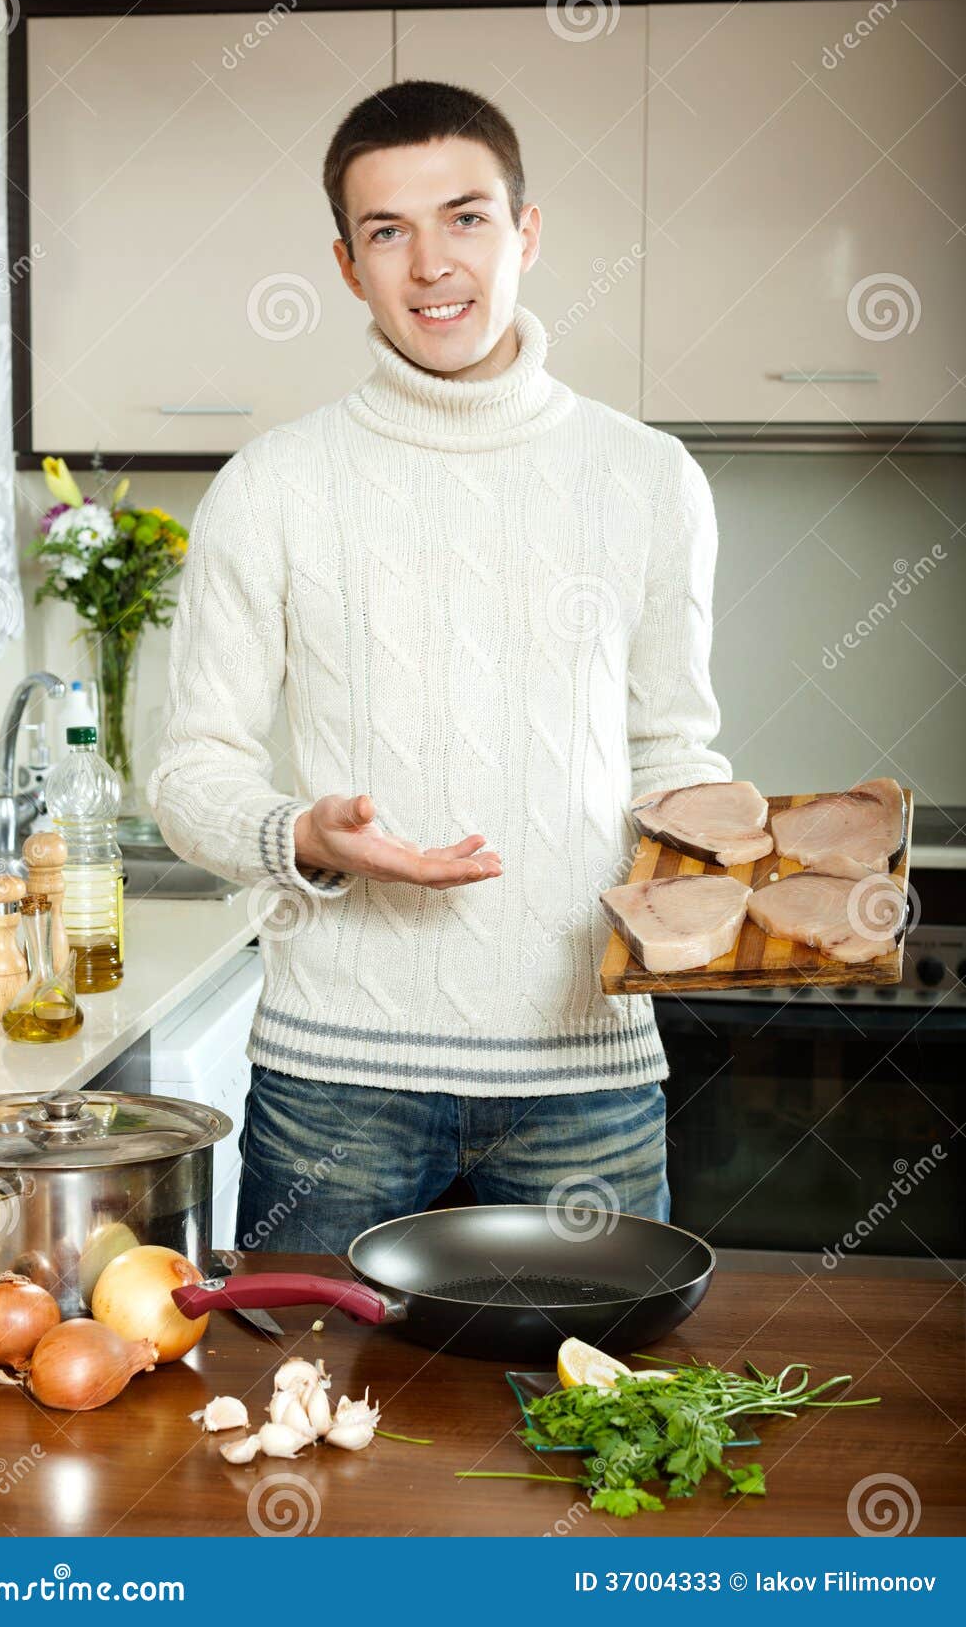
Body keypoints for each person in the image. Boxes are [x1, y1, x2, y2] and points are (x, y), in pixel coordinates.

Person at [146, 79, 732, 1255]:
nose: (431, 264)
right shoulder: (272, 486)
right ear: (347, 263)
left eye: (466, 217)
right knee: (311, 1375)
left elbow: (673, 748)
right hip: (337, 1082)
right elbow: (189, 773)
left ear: (526, 231)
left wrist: (731, 872)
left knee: (601, 1371)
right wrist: (306, 835)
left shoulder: (649, 478)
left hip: (585, 1069)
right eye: (387, 231)